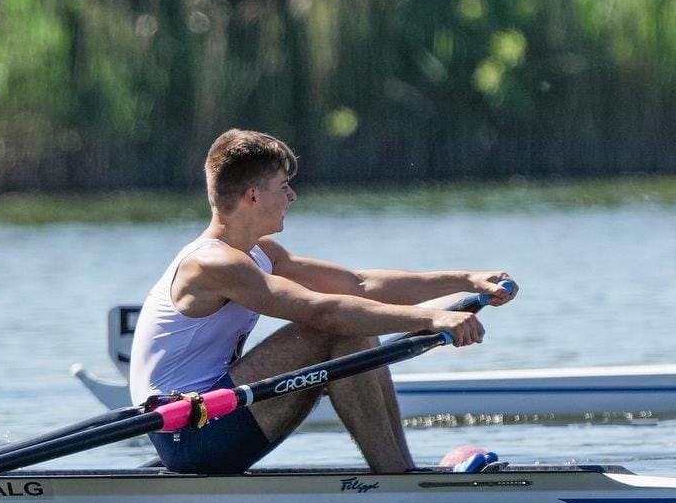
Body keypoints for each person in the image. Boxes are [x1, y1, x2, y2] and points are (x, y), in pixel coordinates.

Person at [129, 129, 516, 474]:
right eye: (283, 186)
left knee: (351, 335)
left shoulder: (260, 252)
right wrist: (433, 319)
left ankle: (400, 474)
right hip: (190, 437)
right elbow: (323, 311)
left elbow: (358, 285)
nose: (292, 196)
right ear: (252, 196)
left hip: (212, 418)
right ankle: (398, 477)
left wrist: (466, 278)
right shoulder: (212, 263)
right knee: (331, 333)